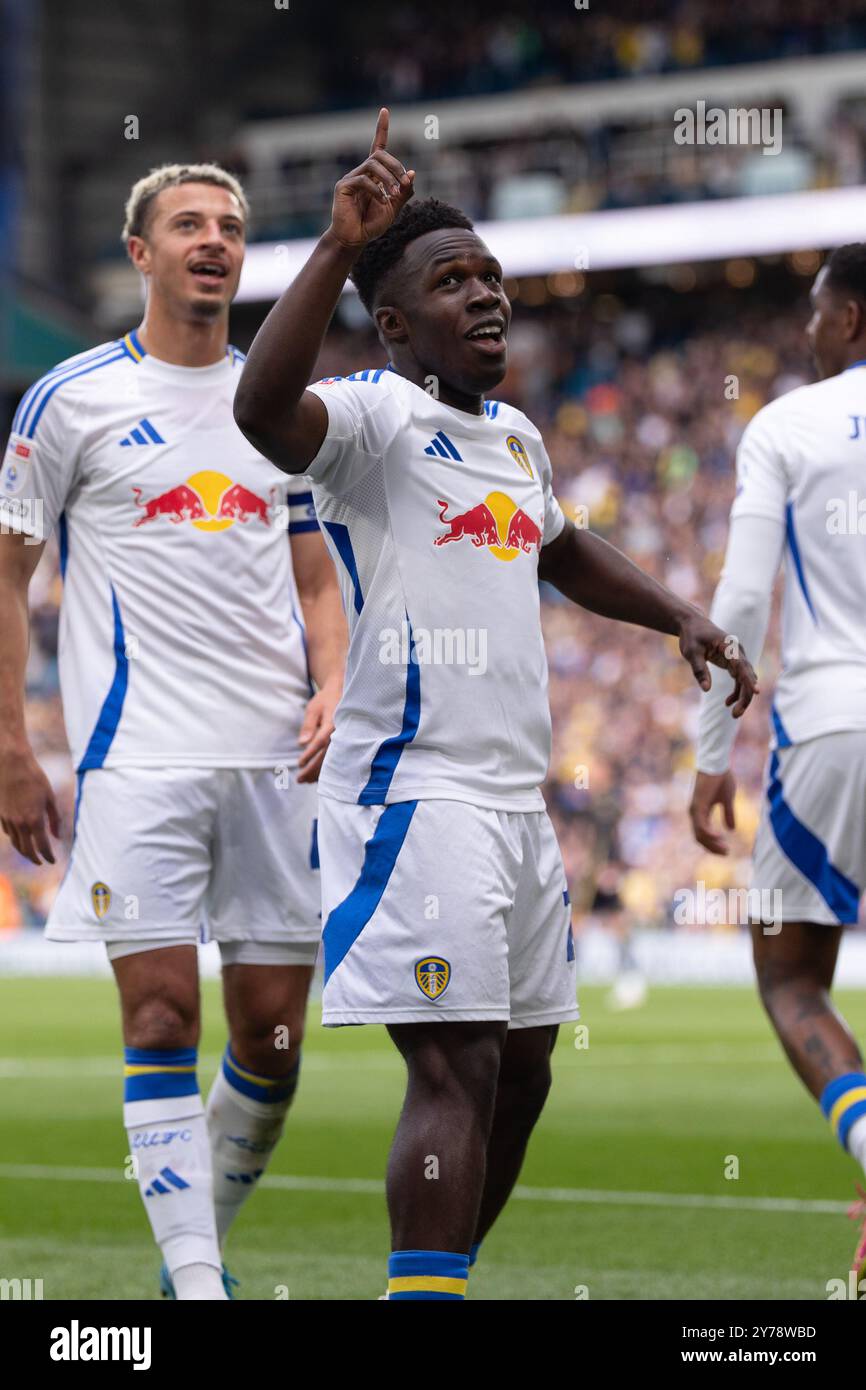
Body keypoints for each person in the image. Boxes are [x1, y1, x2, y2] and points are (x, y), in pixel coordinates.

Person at [233, 109, 757, 1301]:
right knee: (457, 1067)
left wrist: (678, 612)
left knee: (523, 1076)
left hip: (512, 804)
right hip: (416, 794)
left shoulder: (513, 437)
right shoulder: (369, 418)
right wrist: (331, 248)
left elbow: (562, 551)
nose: (485, 298)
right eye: (449, 281)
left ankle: (433, 1282)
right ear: (393, 320)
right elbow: (261, 414)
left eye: (492, 278)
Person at [0, 163, 346, 1300]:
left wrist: (333, 681)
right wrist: (11, 742)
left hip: (271, 763)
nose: (215, 241)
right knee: (159, 1010)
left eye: (232, 228)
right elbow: (8, 572)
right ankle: (199, 1282)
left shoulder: (280, 405)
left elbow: (316, 584)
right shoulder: (71, 399)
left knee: (272, 1043)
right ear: (140, 252)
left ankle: (192, 1252)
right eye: (188, 224)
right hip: (132, 756)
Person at [690, 243, 866, 1289]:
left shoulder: (786, 426)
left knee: (790, 976)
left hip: (835, 720)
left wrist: (712, 752)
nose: (800, 333)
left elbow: (740, 601)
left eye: (811, 313)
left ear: (846, 319)